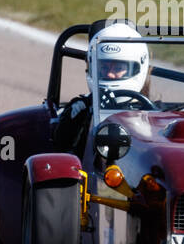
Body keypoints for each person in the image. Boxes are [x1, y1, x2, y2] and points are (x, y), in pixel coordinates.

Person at [52, 22, 151, 156]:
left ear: (138, 68)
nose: (110, 74)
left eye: (118, 68)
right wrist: (75, 116)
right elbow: (61, 147)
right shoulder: (81, 107)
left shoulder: (152, 113)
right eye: (103, 68)